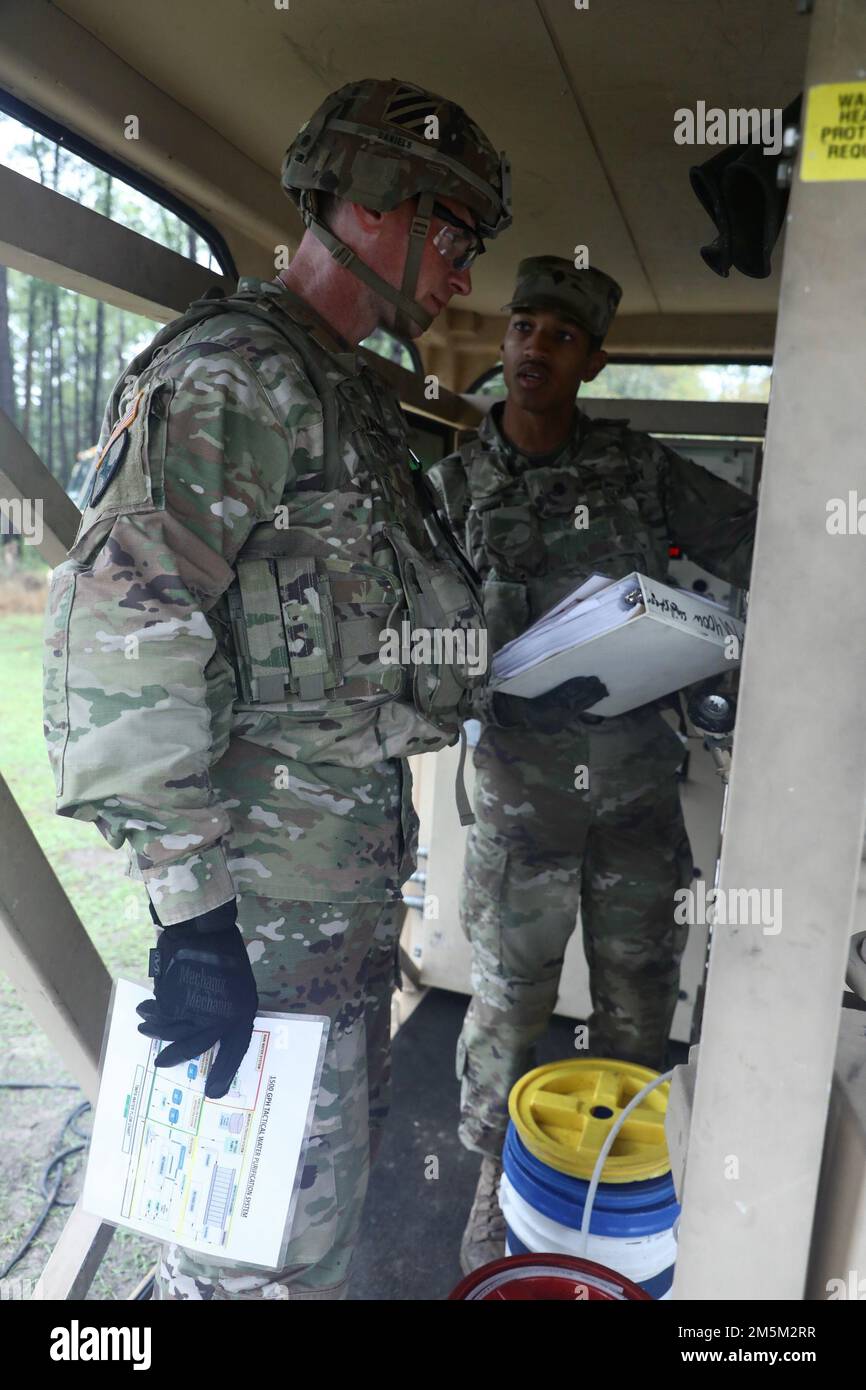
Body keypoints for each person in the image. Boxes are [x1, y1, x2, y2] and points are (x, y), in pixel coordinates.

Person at [42, 77, 511, 1300]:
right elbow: (121, 626)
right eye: (451, 236)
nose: (462, 274)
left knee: (316, 1224)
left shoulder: (346, 390)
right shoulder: (240, 376)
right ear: (368, 209)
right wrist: (191, 916)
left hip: (337, 911)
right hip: (253, 919)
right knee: (254, 1250)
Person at [427, 255, 758, 1273]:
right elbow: (409, 638)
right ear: (504, 341)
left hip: (632, 785)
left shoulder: (637, 469)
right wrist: (493, 682)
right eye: (523, 327)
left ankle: (616, 1176)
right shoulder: (445, 486)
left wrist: (714, 637)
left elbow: (756, 541)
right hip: (522, 795)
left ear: (592, 362)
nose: (533, 347)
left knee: (637, 988)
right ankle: (492, 1188)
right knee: (509, 998)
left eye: (560, 337)